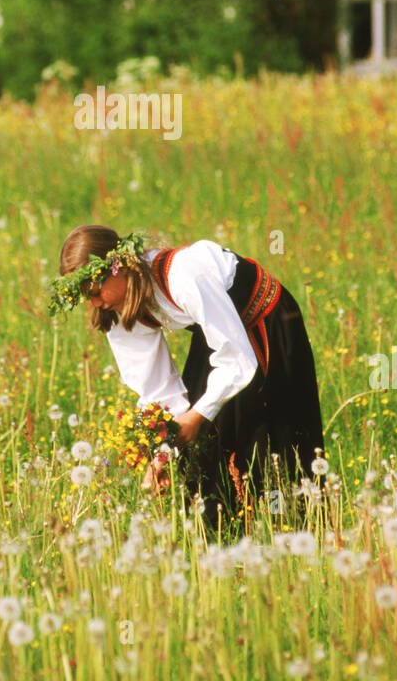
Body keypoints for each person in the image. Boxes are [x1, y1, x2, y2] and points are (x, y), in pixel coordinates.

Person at [49, 225, 326, 529]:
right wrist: (164, 450)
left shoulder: (185, 276)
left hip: (266, 320)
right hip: (217, 336)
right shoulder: (116, 309)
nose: (96, 303)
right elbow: (156, 388)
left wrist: (197, 416)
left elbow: (236, 359)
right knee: (202, 444)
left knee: (271, 436)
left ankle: (291, 530)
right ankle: (224, 535)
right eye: (87, 298)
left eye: (96, 291)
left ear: (121, 266)